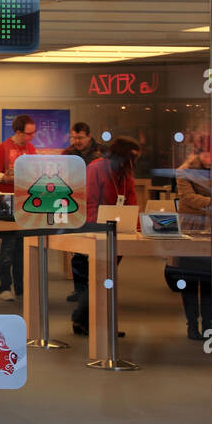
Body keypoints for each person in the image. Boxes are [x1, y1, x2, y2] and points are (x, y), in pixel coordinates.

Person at [72, 136, 140, 335]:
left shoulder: (125, 173)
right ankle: (81, 320)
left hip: (117, 231)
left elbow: (130, 200)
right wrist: (94, 227)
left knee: (105, 278)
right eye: (133, 157)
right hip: (95, 228)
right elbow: (88, 201)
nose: (135, 162)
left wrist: (134, 227)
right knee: (98, 278)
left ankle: (96, 323)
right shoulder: (96, 168)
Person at [168, 133, 212, 340]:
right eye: (209, 152)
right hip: (191, 227)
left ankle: (208, 325)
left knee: (207, 281)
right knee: (189, 279)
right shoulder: (184, 172)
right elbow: (187, 197)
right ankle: (192, 324)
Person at [0, 115, 37, 301]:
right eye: (29, 133)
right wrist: (6, 178)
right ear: (18, 132)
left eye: (33, 133)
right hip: (7, 201)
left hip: (27, 201)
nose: (32, 137)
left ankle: (21, 287)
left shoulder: (31, 149)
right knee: (8, 246)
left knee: (23, 247)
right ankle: (5, 287)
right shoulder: (3, 148)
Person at [61, 122, 104, 303]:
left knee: (97, 252)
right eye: (74, 137)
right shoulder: (67, 154)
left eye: (80, 138)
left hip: (98, 206)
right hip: (75, 205)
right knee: (77, 251)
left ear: (89, 136)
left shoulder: (102, 154)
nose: (77, 141)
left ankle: (96, 289)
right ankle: (80, 290)